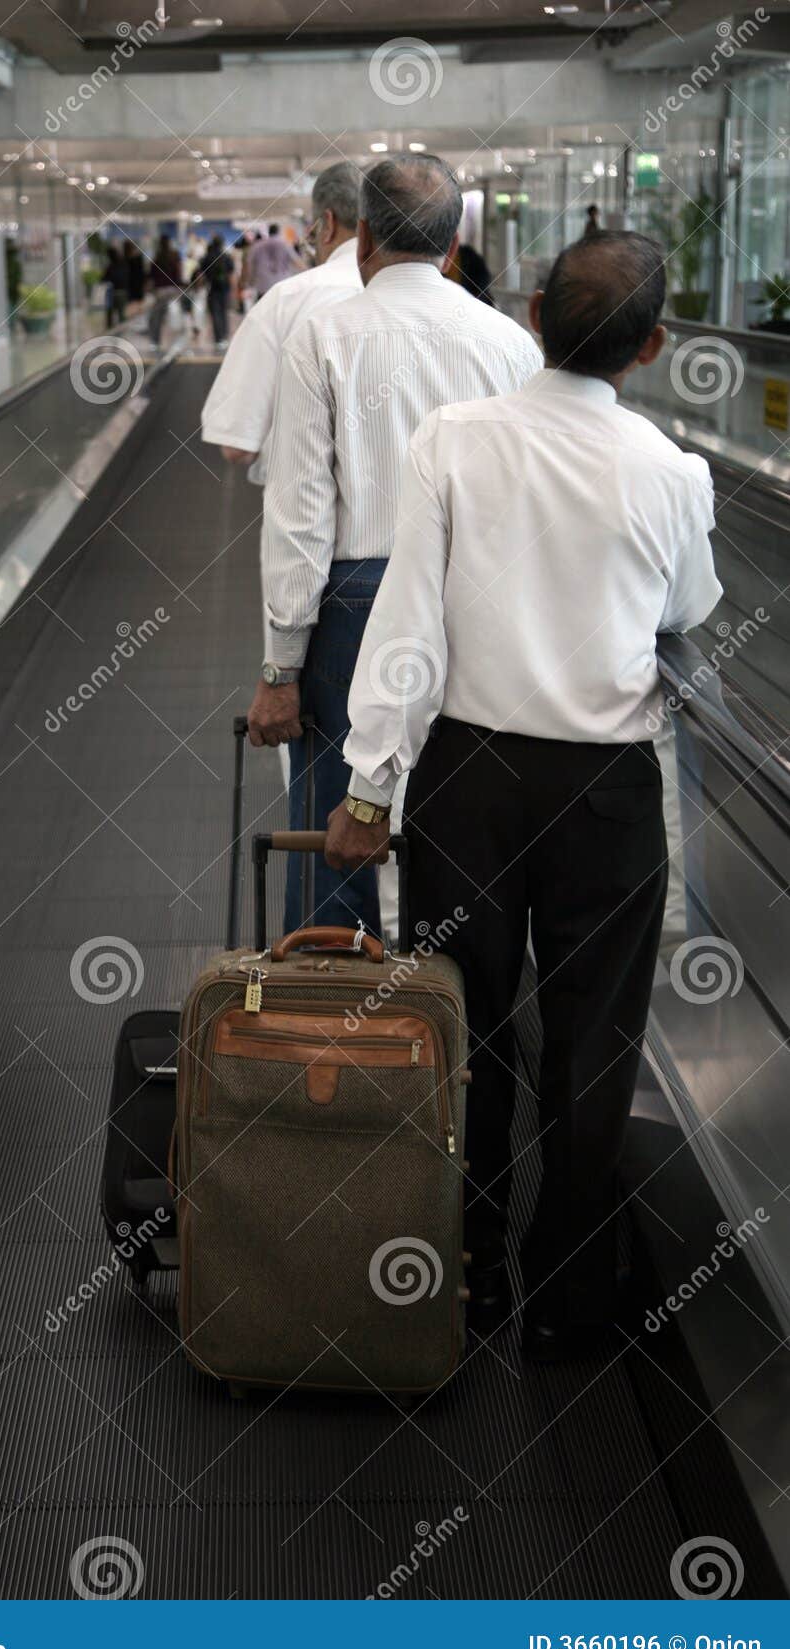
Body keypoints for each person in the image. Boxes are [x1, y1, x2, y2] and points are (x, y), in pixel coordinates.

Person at [324, 230, 721, 1360]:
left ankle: (465, 1277)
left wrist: (368, 786)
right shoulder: (669, 471)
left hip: (468, 782)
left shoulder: (451, 440)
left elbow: (408, 624)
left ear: (534, 313)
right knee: (592, 1047)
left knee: (464, 1028)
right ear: (650, 346)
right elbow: (688, 608)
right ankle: (567, 1302)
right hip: (604, 792)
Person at [251, 154, 542, 937]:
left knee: (337, 823)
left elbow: (300, 512)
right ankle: (447, 994)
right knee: (461, 809)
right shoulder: (509, 344)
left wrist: (280, 667)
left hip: (355, 602)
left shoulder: (321, 335)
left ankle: (335, 993)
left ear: (363, 237)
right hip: (477, 595)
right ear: (453, 246)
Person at [201, 163, 363, 480]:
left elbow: (237, 446)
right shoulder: (449, 304)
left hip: (305, 500)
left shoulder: (284, 301)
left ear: (327, 223)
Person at [196, 234, 235, 350]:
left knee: (215, 313)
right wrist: (232, 289)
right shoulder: (226, 257)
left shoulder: (207, 257)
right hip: (225, 288)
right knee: (223, 312)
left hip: (212, 288)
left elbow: (201, 275)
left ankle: (218, 338)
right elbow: (231, 274)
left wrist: (198, 287)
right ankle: (224, 336)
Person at [246, 222, 302, 299]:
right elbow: (296, 261)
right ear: (278, 232)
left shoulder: (257, 246)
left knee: (264, 305)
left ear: (269, 232)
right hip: (281, 283)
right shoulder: (284, 244)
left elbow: (249, 265)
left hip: (263, 285)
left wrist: (249, 282)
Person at [148, 232, 181, 347]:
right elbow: (178, 274)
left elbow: (152, 275)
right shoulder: (174, 257)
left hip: (160, 290)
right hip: (172, 290)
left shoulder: (157, 258)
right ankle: (174, 341)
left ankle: (155, 341)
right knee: (173, 315)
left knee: (156, 317)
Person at [102, 244, 129, 330]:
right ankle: (122, 333)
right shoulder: (123, 265)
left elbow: (104, 279)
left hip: (112, 293)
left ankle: (110, 332)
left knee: (110, 316)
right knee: (121, 315)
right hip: (122, 292)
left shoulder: (110, 267)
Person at [124, 240, 146, 316]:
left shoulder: (125, 260)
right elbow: (142, 274)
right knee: (138, 308)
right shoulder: (138, 259)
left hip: (131, 287)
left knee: (133, 309)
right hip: (137, 287)